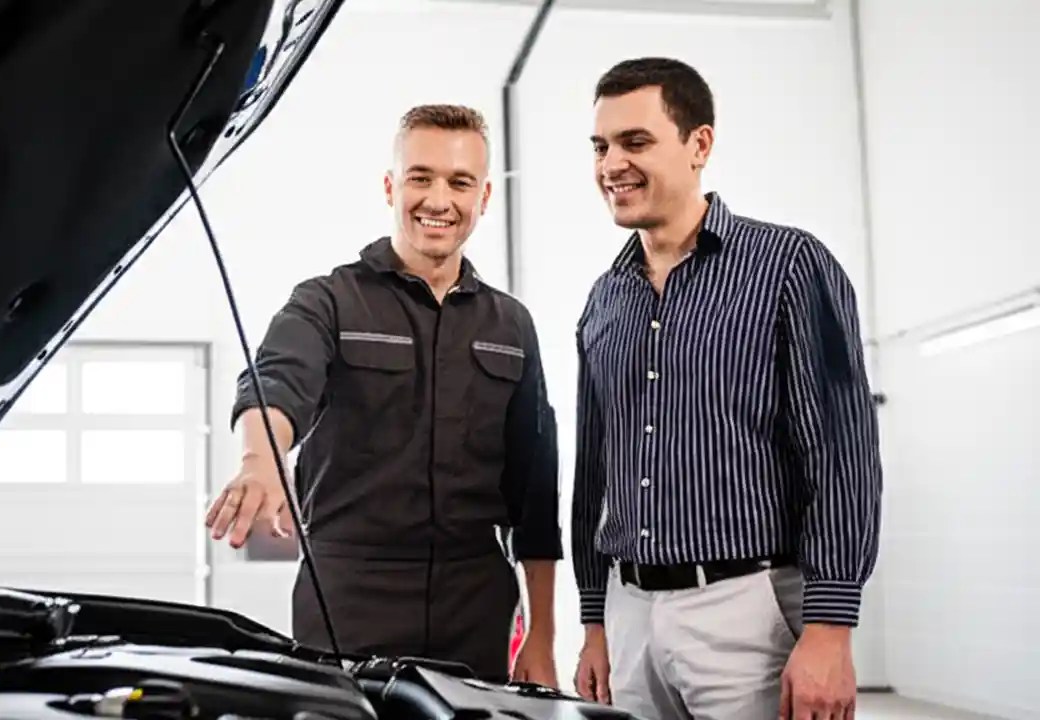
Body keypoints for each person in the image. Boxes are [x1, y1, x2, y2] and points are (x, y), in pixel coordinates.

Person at [204, 104, 563, 687]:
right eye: (421, 177)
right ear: (391, 186)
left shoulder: (511, 324)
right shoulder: (328, 301)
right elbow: (277, 378)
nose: (439, 200)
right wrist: (260, 461)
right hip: (349, 597)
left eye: (459, 182)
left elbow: (536, 492)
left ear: (484, 196)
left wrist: (542, 635)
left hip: (476, 603)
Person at [569, 57, 883, 720]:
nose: (612, 164)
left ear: (699, 144)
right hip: (629, 617)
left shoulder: (789, 266)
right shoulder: (604, 300)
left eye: (635, 141)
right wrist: (594, 618)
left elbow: (840, 454)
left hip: (747, 611)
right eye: (600, 146)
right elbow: (593, 473)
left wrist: (830, 628)